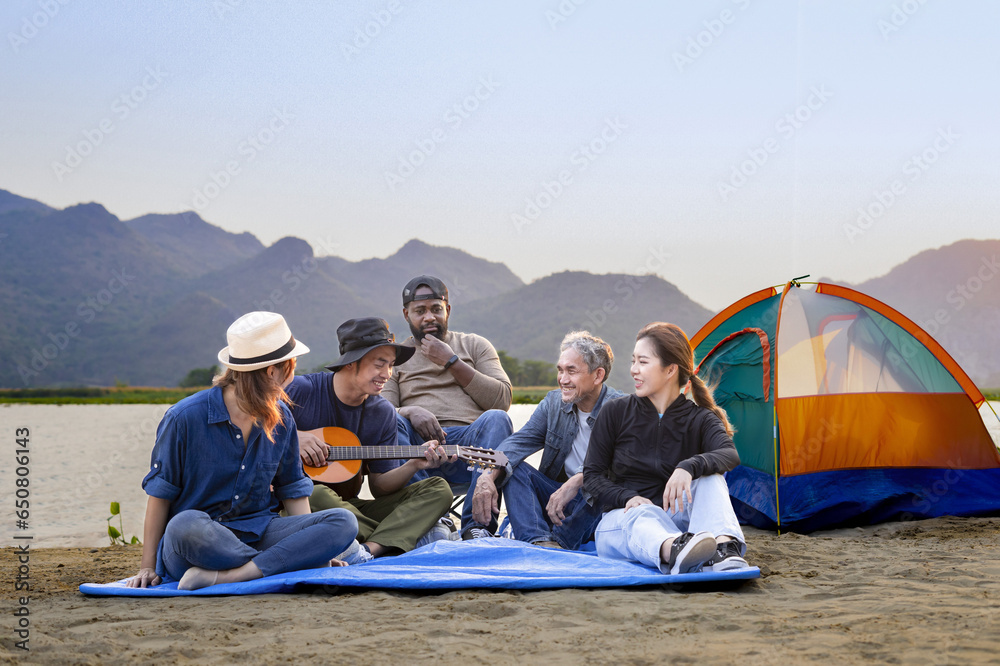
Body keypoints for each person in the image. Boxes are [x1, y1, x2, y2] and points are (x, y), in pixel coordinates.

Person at [127, 312, 358, 591]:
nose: (293, 373)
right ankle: (282, 564)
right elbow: (160, 496)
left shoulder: (282, 417)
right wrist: (147, 567)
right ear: (273, 371)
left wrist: (317, 544)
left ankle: (236, 575)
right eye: (292, 365)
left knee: (343, 521)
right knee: (184, 524)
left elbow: (293, 489)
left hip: (259, 531)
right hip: (199, 542)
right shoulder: (184, 418)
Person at [583, 322, 750, 575]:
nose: (633, 370)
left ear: (670, 369)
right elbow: (592, 477)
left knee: (710, 479)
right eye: (633, 361)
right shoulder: (615, 412)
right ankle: (676, 550)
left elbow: (729, 454)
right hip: (623, 522)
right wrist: (627, 497)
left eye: (643, 362)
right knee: (641, 515)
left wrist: (688, 467)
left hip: (676, 519)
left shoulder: (701, 419)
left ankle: (723, 550)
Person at [285, 317, 455, 562]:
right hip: (301, 506)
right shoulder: (300, 390)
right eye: (379, 364)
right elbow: (253, 422)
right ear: (351, 363)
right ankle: (402, 536)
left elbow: (379, 487)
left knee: (438, 489)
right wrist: (295, 437)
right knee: (314, 492)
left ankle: (368, 550)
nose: (387, 374)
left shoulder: (382, 412)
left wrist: (414, 464)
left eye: (391, 365)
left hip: (351, 507)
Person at [383, 275, 513, 539]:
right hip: (418, 450)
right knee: (392, 421)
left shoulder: (475, 345)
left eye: (436, 309)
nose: (429, 317)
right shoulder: (394, 356)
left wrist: (451, 361)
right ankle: (433, 517)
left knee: (497, 419)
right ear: (407, 315)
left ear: (448, 310)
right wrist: (409, 411)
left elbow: (502, 400)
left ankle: (476, 527)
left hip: (470, 451)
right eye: (420, 311)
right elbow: (381, 410)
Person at [471, 331, 624, 549]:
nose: (563, 379)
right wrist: (487, 475)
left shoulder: (621, 408)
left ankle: (558, 542)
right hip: (559, 500)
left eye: (572, 371)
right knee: (513, 468)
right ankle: (539, 540)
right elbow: (518, 443)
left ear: (598, 375)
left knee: (601, 489)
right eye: (560, 370)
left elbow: (618, 464)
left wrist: (577, 480)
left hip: (598, 505)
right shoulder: (553, 403)